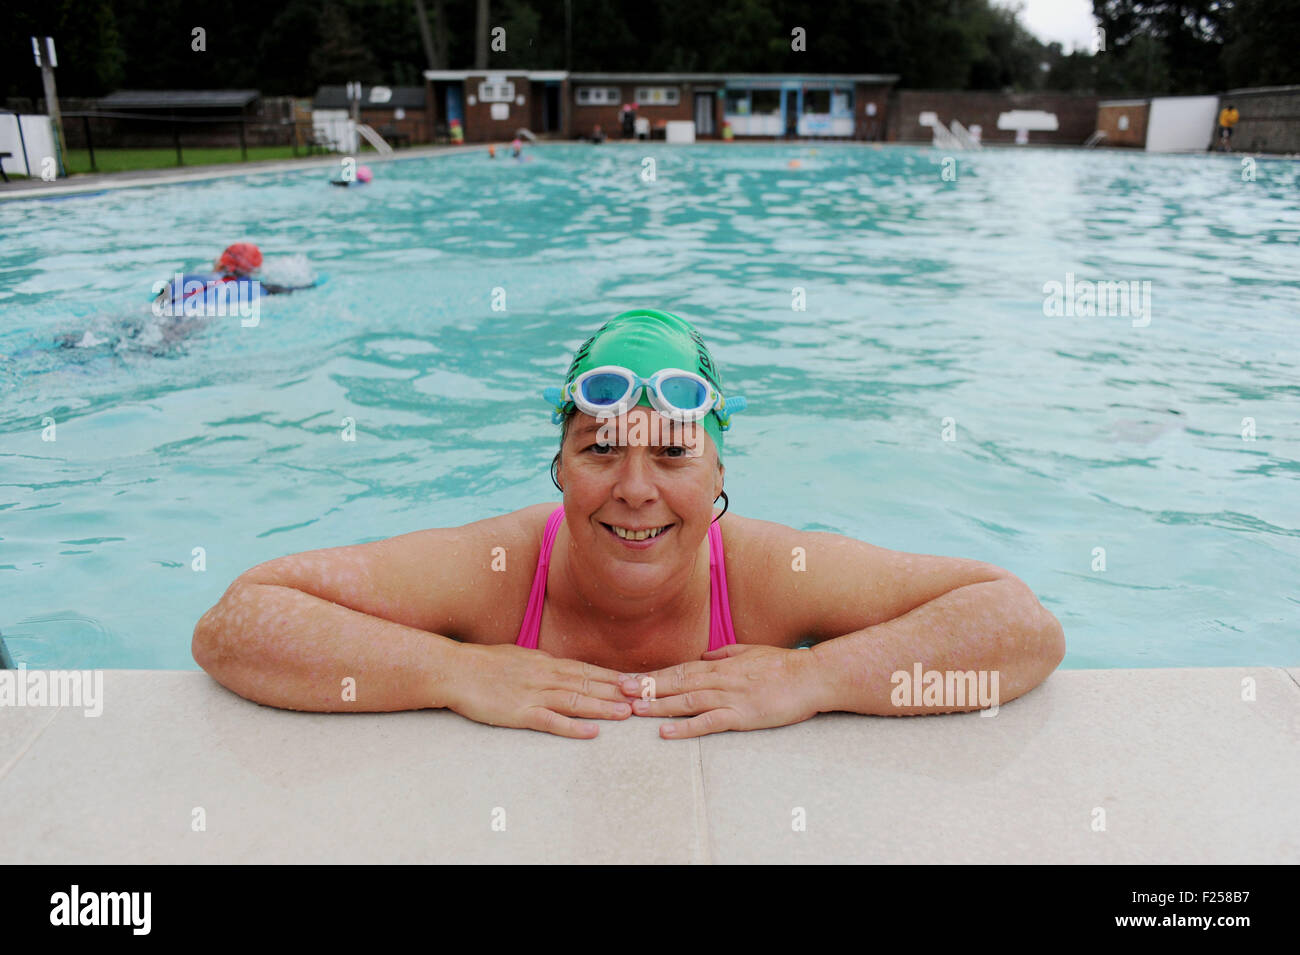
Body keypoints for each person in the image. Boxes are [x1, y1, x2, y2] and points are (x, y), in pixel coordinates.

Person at [192, 309, 1065, 739]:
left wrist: (816, 679)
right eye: (602, 449)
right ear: (560, 469)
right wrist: (450, 670)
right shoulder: (497, 568)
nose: (636, 489)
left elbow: (1020, 625)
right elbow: (237, 622)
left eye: (675, 455)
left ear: (720, 472)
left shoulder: (768, 571)